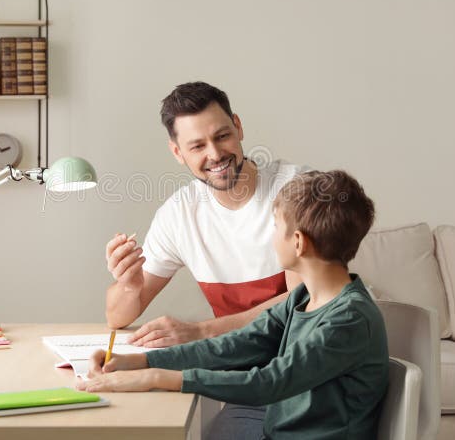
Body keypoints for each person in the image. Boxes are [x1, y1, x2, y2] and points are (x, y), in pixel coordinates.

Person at [79, 170, 389, 440]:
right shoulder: (304, 298)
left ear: (298, 242)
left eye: (275, 226)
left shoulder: (348, 320)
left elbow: (271, 382)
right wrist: (139, 362)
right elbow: (237, 345)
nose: (271, 236)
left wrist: (157, 378)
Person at [105, 82, 309, 348]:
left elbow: (305, 300)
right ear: (177, 152)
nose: (215, 154)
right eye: (198, 146)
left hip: (301, 349)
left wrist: (203, 331)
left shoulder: (298, 188)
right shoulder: (179, 215)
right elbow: (116, 317)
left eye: (222, 136)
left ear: (238, 126)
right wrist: (131, 285)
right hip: (236, 359)